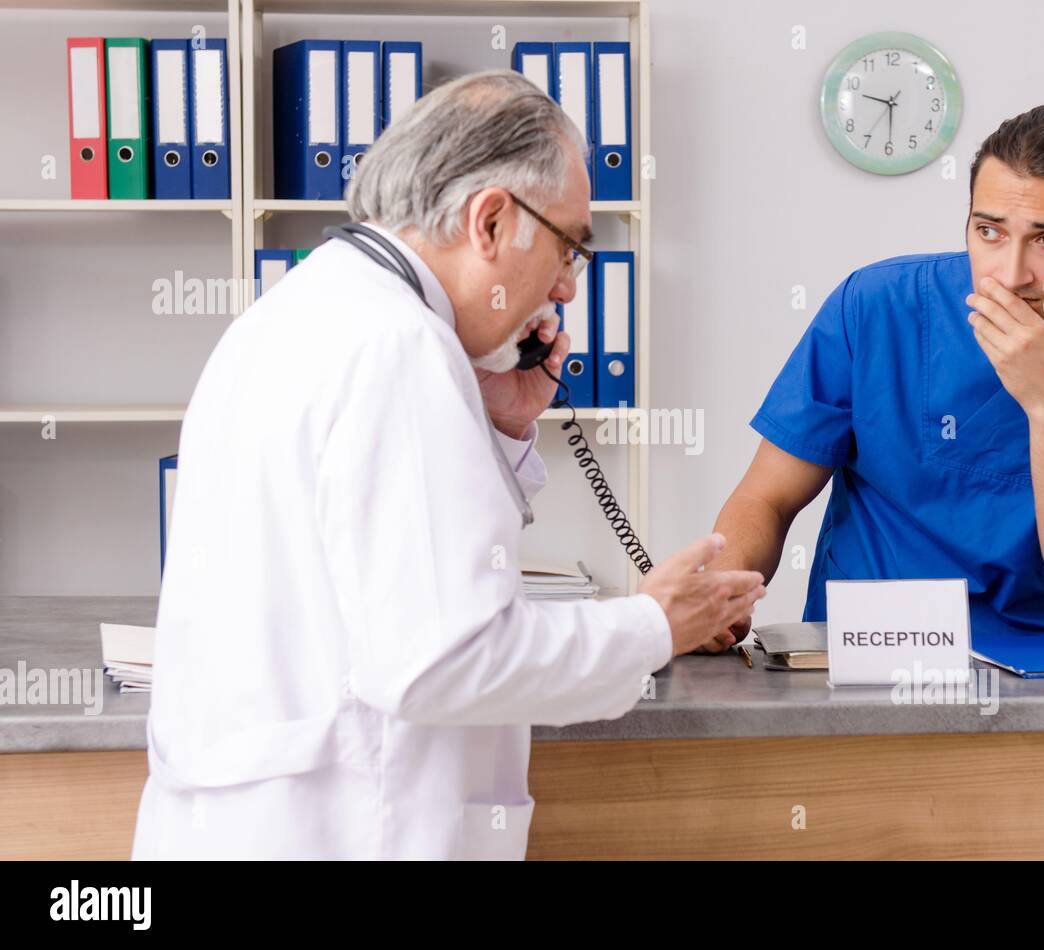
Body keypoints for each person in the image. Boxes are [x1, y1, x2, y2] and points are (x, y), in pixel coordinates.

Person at [132, 70, 765, 859]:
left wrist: (497, 425)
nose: (568, 286)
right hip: (347, 827)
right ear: (492, 220)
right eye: (571, 244)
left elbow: (381, 577)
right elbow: (441, 661)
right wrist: (650, 626)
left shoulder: (301, 313)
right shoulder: (399, 346)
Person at [702, 103, 1044, 652]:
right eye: (989, 231)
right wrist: (718, 596)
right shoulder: (876, 305)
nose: (1011, 275)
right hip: (860, 661)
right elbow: (766, 498)